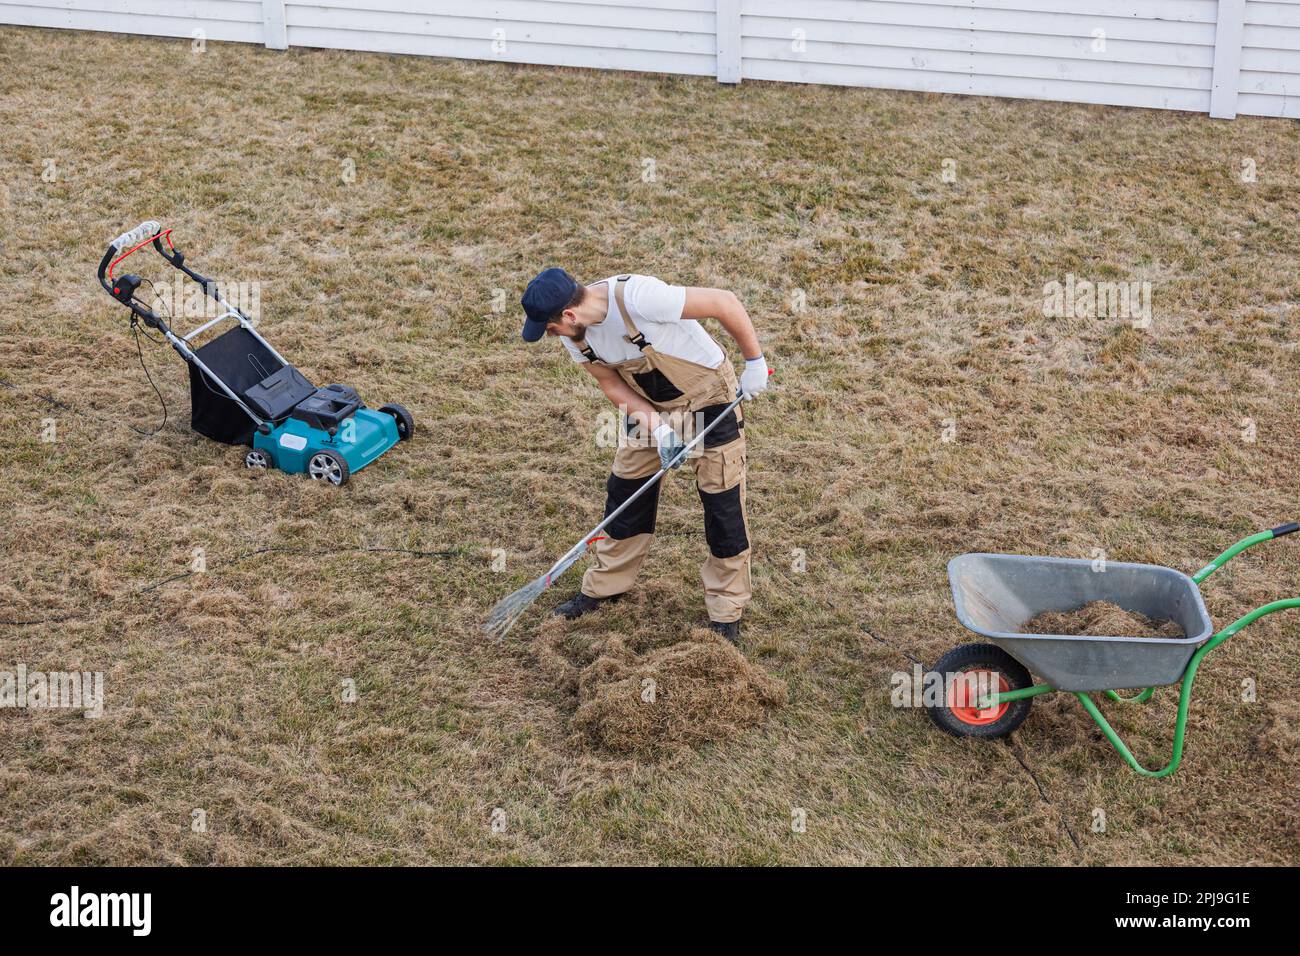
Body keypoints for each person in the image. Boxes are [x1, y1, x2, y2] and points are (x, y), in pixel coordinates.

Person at [520, 267, 770, 641]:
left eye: (550, 327)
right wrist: (662, 430)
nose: (550, 334)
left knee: (723, 505)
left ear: (568, 315)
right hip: (652, 406)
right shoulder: (576, 337)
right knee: (625, 493)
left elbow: (724, 302)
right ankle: (606, 586)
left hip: (710, 397)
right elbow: (612, 385)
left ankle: (725, 609)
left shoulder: (639, 298)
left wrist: (755, 363)